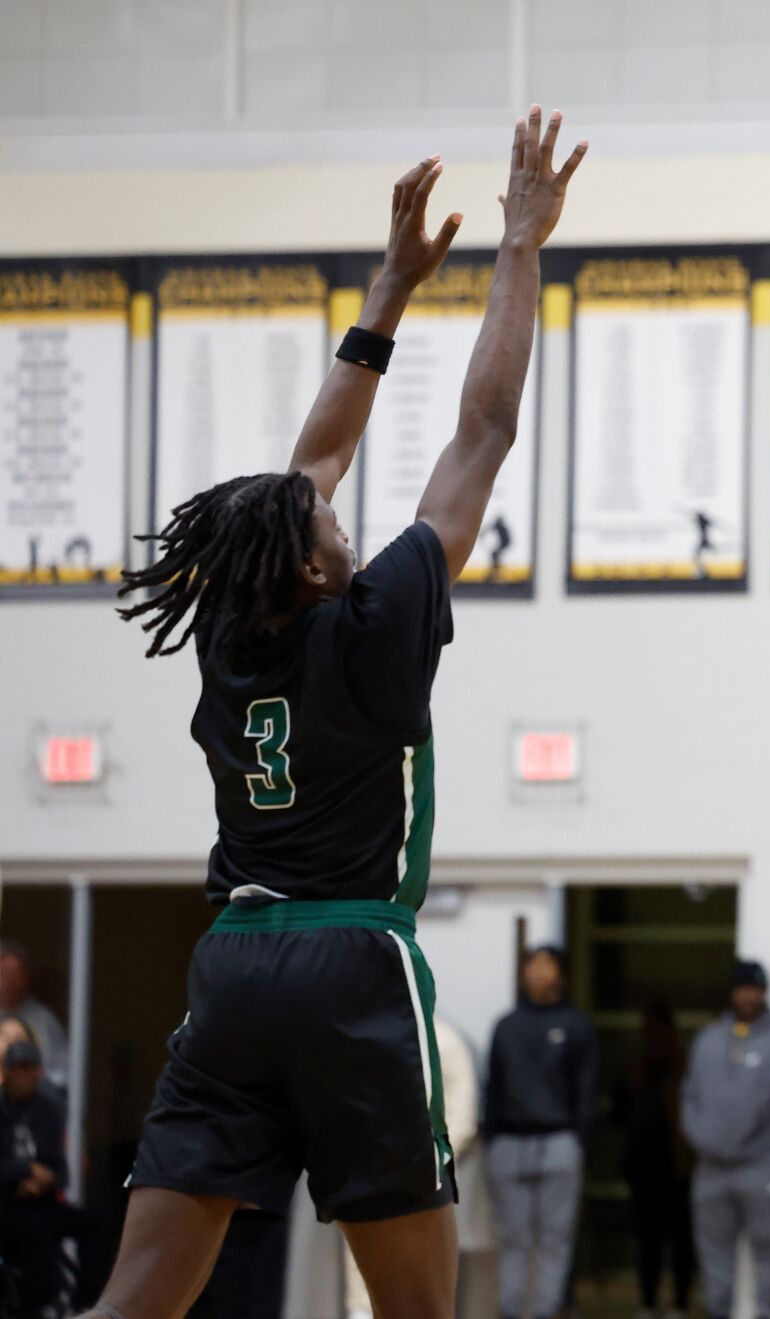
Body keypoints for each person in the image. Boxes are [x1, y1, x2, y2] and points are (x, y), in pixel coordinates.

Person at [81, 110, 587, 1319]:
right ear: (313, 569)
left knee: (134, 1299)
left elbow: (304, 470)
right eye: (332, 529)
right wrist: (520, 245)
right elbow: (484, 429)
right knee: (420, 1308)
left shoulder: (227, 627)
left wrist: (388, 291)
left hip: (236, 965)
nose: (342, 519)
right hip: (353, 962)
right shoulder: (373, 627)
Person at [681, 961, 770, 1319]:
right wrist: (697, 1136)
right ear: (731, 992)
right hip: (711, 1170)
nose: (747, 995)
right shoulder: (707, 1039)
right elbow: (689, 1093)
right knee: (714, 1259)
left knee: (769, 1257)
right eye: (741, 988)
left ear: (764, 992)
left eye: (754, 988)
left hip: (764, 1168)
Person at [484, 947, 598, 1319]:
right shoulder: (507, 1026)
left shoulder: (576, 1025)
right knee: (514, 1239)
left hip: (559, 1141)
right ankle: (511, 1311)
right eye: (532, 966)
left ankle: (547, 1310)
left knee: (555, 1239)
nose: (537, 973)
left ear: (561, 974)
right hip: (509, 1143)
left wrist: (579, 1139)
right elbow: (494, 1086)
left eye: (546, 966)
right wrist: (493, 1138)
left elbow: (586, 1088)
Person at [345, 1014, 480, 1319]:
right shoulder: (365, 1036)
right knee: (363, 1254)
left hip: (428, 1172)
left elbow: (463, 1112)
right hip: (372, 1165)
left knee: (427, 1269)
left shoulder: (445, 1042)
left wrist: (434, 1156)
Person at [614, 1003, 694, 1319]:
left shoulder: (684, 1069)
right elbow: (617, 1117)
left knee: (681, 1241)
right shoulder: (635, 1070)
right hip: (644, 1168)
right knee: (647, 1241)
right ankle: (647, 1302)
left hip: (679, 1167)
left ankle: (680, 1303)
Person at [1, 1039, 71, 1317]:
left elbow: (61, 1172)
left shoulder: (47, 1112)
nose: (26, 1076)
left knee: (95, 1228)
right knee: (28, 1227)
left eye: (31, 1068)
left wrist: (44, 1180)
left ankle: (82, 1301)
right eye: (19, 1068)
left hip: (42, 1202)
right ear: (7, 1072)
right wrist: (26, 1171)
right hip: (7, 1202)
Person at [0, 945, 68, 1091]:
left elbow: (63, 1072)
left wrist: (34, 1082)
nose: (9, 982)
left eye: (15, 974)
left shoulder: (45, 1020)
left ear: (26, 977)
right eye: (3, 973)